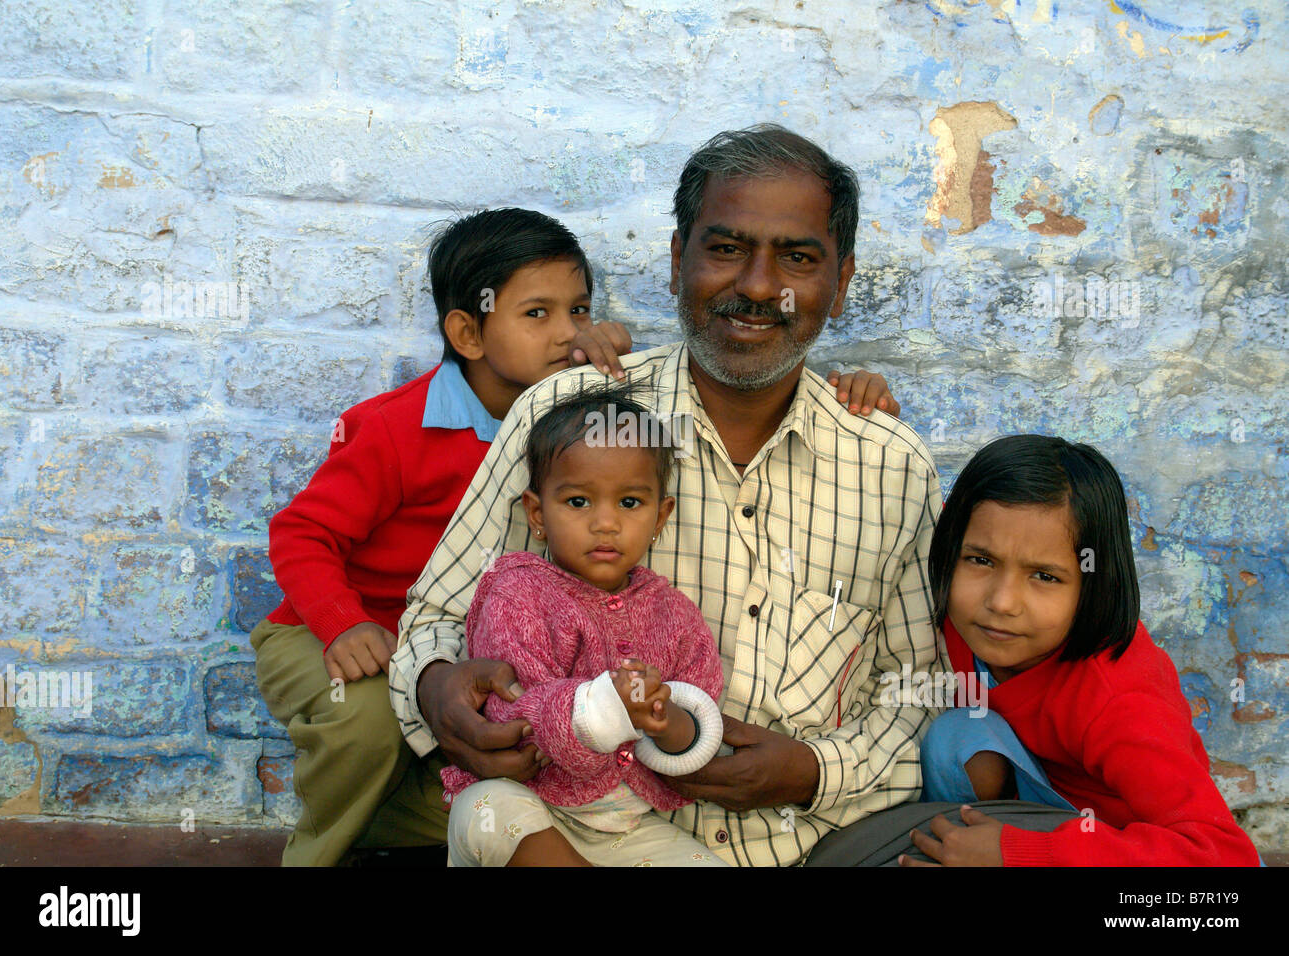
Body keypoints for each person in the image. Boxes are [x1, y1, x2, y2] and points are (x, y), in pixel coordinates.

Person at [251, 205, 896, 866]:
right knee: (368, 729)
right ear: (468, 334)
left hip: (491, 665)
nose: (567, 333)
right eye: (539, 316)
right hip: (341, 625)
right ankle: (321, 850)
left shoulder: (578, 424)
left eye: (579, 312)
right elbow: (302, 534)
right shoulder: (396, 428)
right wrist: (343, 624)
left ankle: (414, 817)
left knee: (498, 766)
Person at [390, 124, 944, 867]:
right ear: (678, 259)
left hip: (812, 842)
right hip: (574, 831)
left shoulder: (890, 467)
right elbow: (438, 615)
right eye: (725, 248)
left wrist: (813, 771)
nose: (755, 285)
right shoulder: (571, 416)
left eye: (798, 258)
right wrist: (438, 690)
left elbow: (919, 689)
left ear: (839, 285)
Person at [902, 434, 1261, 866]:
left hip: (1118, 849)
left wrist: (1023, 855)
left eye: (1045, 577)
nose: (1001, 602)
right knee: (957, 739)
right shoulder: (967, 602)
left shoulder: (1119, 697)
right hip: (1042, 804)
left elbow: (1226, 856)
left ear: (1093, 584)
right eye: (981, 561)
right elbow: (901, 492)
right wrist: (866, 400)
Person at [444, 384, 728, 866]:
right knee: (487, 809)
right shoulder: (517, 593)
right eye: (578, 502)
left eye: (629, 503)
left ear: (661, 516)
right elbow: (512, 717)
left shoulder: (672, 611)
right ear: (537, 513)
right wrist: (606, 709)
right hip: (533, 806)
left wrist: (668, 721)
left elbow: (699, 713)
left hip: (627, 825)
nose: (605, 523)